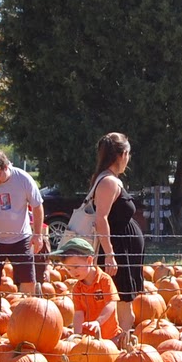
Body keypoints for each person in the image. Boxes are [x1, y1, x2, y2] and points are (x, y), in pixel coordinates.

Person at [90, 132, 144, 343]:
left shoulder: (110, 180)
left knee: (124, 301)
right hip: (117, 249)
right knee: (121, 301)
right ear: (121, 155)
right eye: (128, 154)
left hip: (124, 248)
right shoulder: (108, 182)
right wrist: (110, 254)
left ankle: (123, 344)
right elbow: (101, 219)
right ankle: (121, 348)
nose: (128, 159)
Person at [0, 148, 46, 294]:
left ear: (6, 167)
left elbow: (37, 206)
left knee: (28, 281)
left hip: (21, 238)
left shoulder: (23, 179)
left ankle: (27, 311)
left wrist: (37, 234)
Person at [54, 235, 119, 338]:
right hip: (88, 338)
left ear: (89, 260)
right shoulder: (77, 288)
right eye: (69, 269)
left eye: (76, 267)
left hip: (109, 336)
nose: (73, 273)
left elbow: (111, 304)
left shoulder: (104, 280)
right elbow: (79, 313)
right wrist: (78, 335)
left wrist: (98, 322)